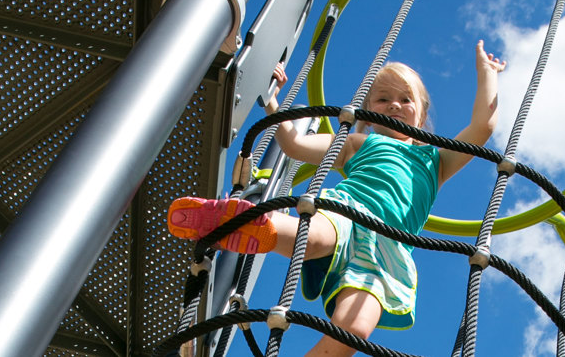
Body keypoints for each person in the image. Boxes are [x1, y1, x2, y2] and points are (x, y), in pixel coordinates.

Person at [167, 40, 505, 356]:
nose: (394, 105)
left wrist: (487, 74)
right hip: (347, 212)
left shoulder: (436, 160)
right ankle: (243, 222)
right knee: (311, 238)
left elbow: (483, 127)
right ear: (368, 111)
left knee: (354, 329)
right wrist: (272, 99)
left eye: (405, 99)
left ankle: (247, 224)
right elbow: (295, 145)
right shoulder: (359, 142)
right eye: (383, 99)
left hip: (389, 251)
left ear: (422, 110)